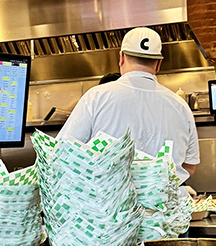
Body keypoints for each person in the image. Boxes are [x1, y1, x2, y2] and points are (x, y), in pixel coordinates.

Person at [57, 26, 200, 183]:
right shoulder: (181, 106)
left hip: (111, 205)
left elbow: (62, 154)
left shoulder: (96, 97)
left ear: (121, 58)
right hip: (167, 204)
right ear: (158, 64)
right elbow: (189, 167)